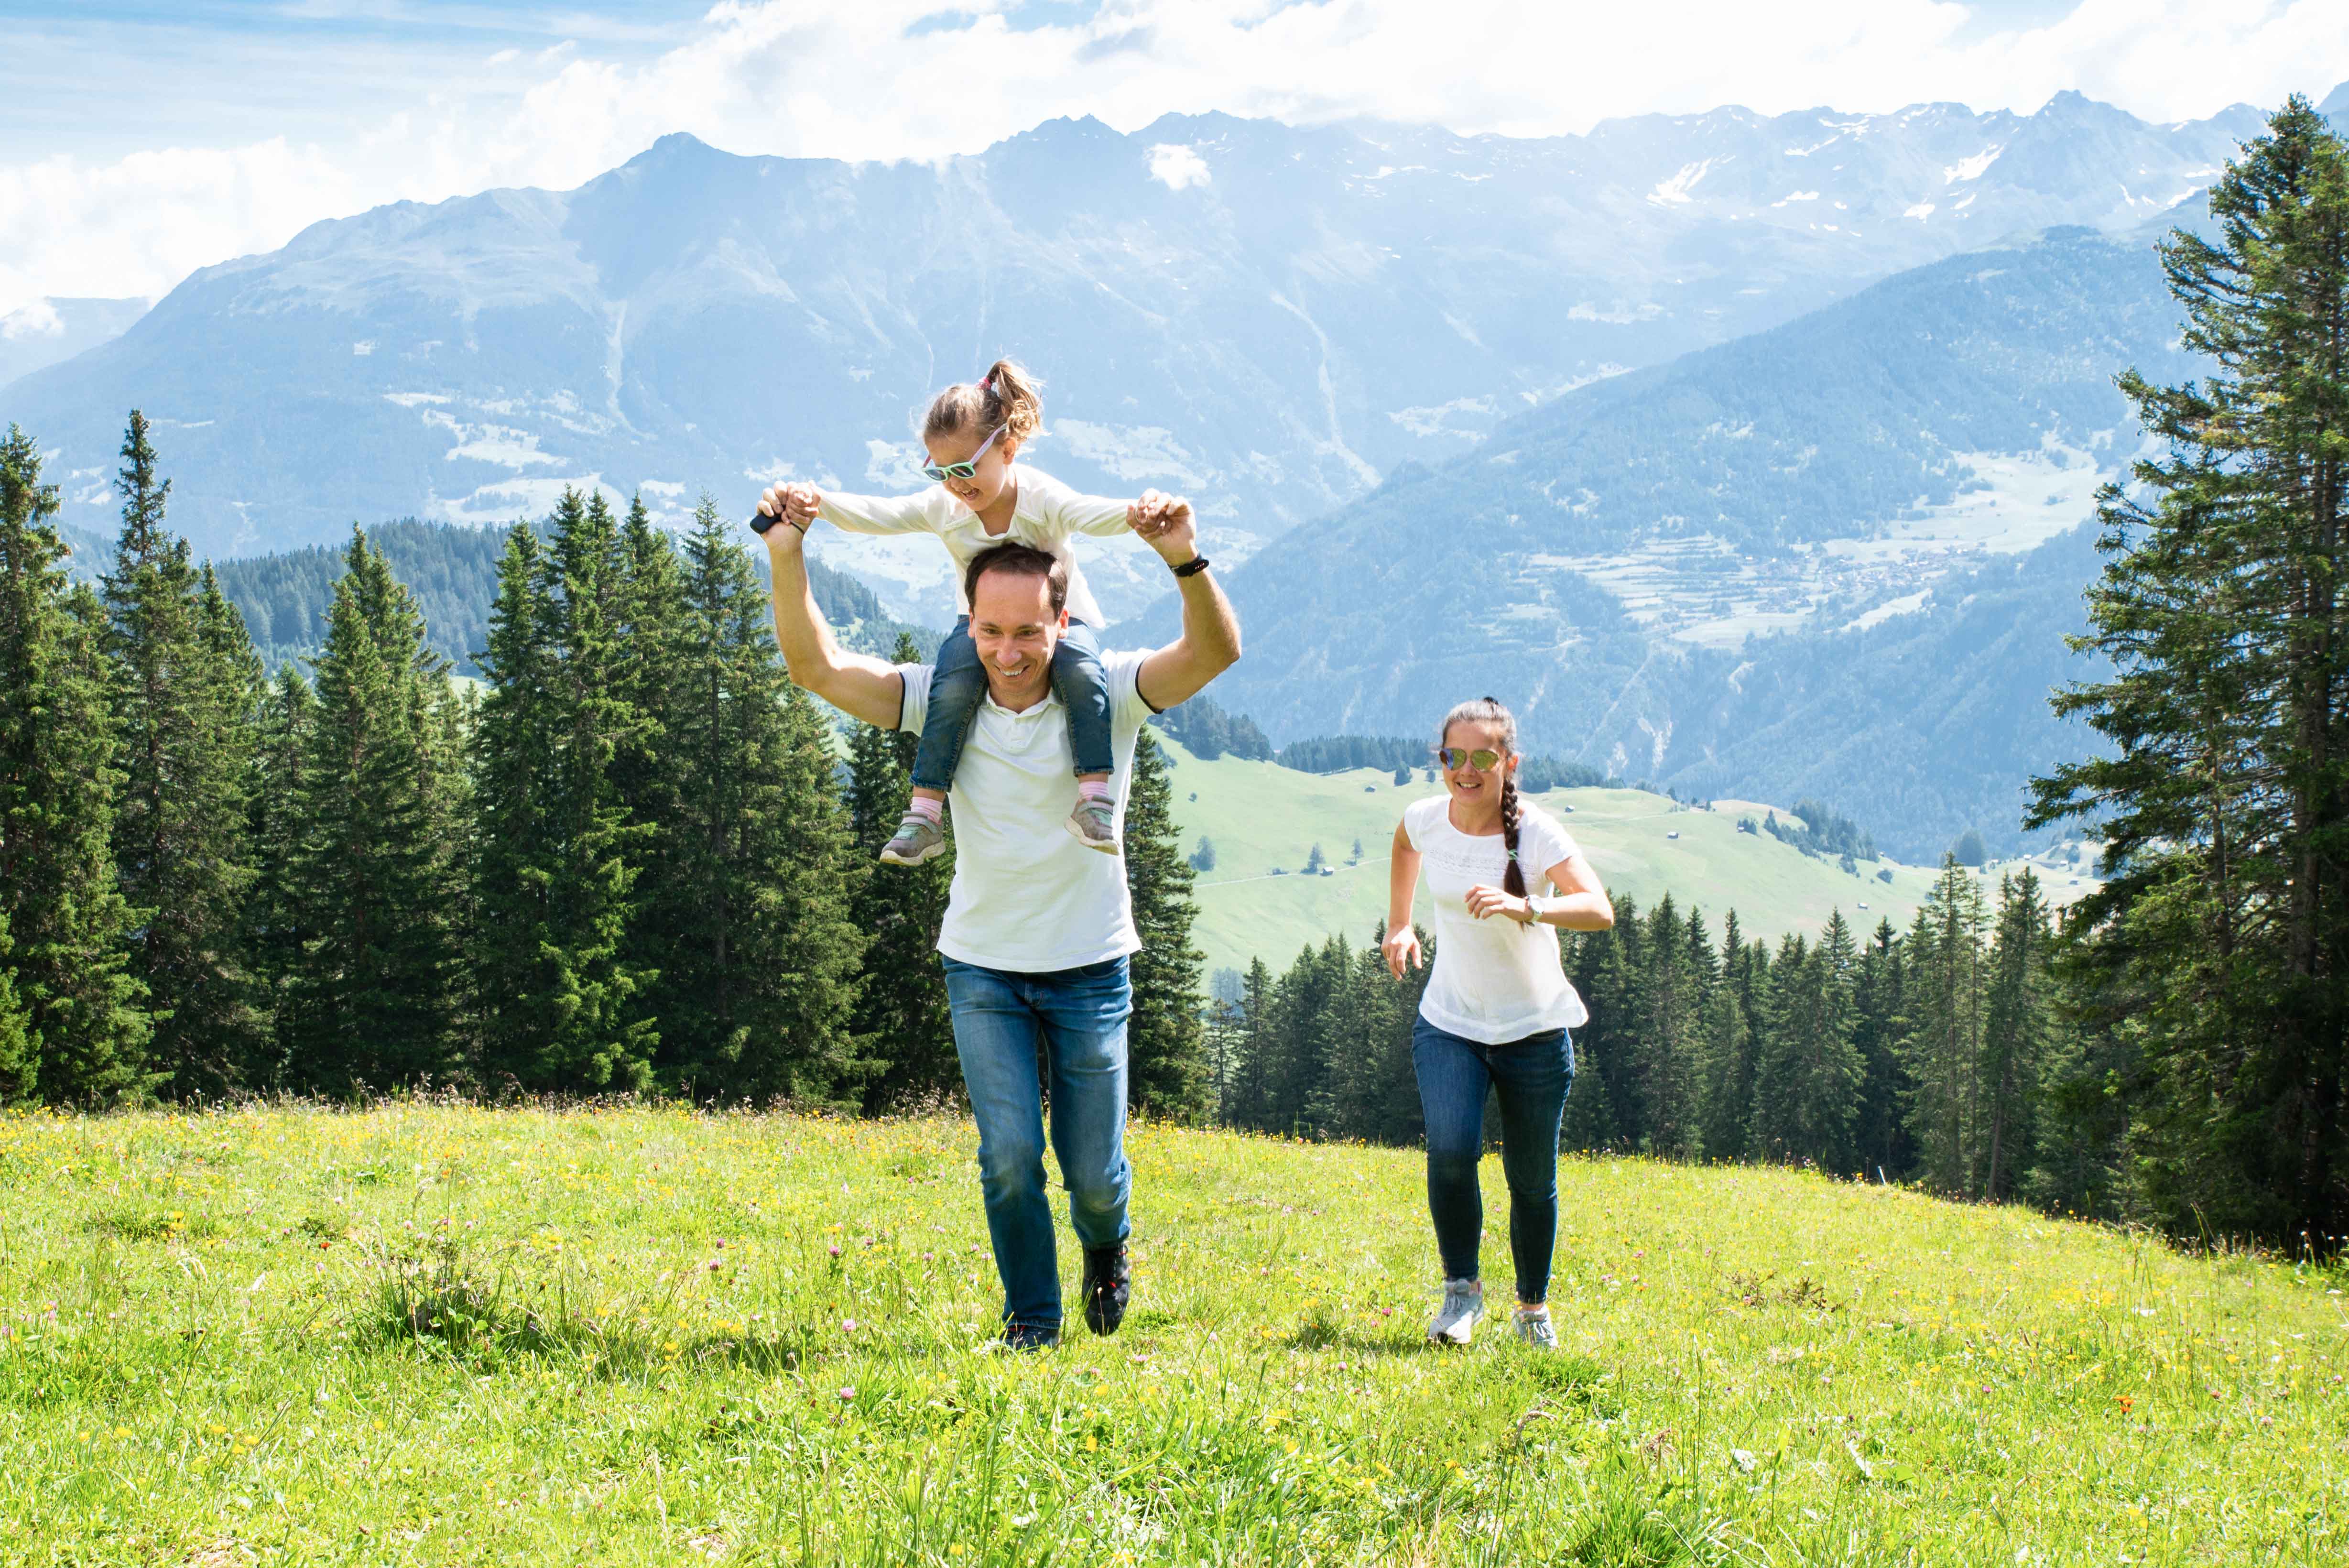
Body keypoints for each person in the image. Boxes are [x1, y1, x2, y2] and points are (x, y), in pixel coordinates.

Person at [756, 478, 1240, 1350]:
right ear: (965, 625)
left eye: (1026, 632)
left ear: (1063, 625)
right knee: (1010, 1160)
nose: (1007, 653)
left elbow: (1212, 655)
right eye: (988, 631)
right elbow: (814, 668)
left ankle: (1106, 1244)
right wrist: (786, 555)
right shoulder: (938, 699)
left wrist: (1184, 561)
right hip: (981, 965)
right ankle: (1031, 1329)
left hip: (1090, 965)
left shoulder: (1110, 694)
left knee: (1092, 1175)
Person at [767, 359, 1142, 868]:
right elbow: (881, 516)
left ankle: (1093, 798)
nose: (956, 484)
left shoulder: (1041, 497)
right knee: (953, 684)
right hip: (980, 623)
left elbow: (1088, 512)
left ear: (1007, 450)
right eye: (941, 472)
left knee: (1082, 673)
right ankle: (924, 813)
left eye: (965, 469)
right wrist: (818, 503)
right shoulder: (945, 506)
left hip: (1059, 620)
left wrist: (1141, 515)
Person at [1383, 697, 1614, 1350]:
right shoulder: (1428, 820)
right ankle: (1461, 1296)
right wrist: (1399, 923)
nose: (1465, 770)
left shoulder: (1535, 833)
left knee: (1530, 1181)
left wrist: (1526, 906)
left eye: (1481, 758)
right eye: (1452, 757)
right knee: (1451, 1152)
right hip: (1450, 1024)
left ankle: (1531, 1311)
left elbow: (1599, 909)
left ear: (1508, 764)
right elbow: (1402, 842)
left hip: (1535, 1033)